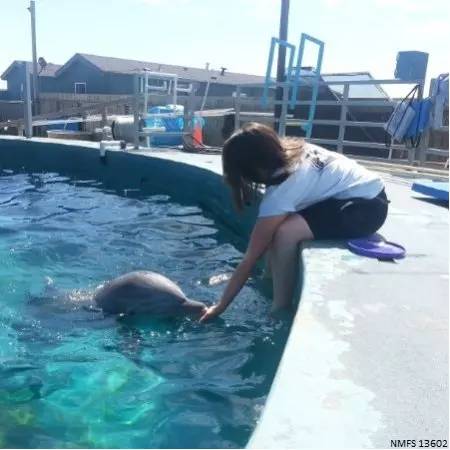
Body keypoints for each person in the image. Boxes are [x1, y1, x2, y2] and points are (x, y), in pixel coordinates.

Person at [199, 122, 389, 323]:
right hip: (361, 194)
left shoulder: (284, 188)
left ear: (253, 168)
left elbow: (251, 256)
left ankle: (280, 307)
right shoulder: (291, 150)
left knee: (286, 232)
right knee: (274, 226)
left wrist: (219, 307)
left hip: (365, 209)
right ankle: (267, 278)